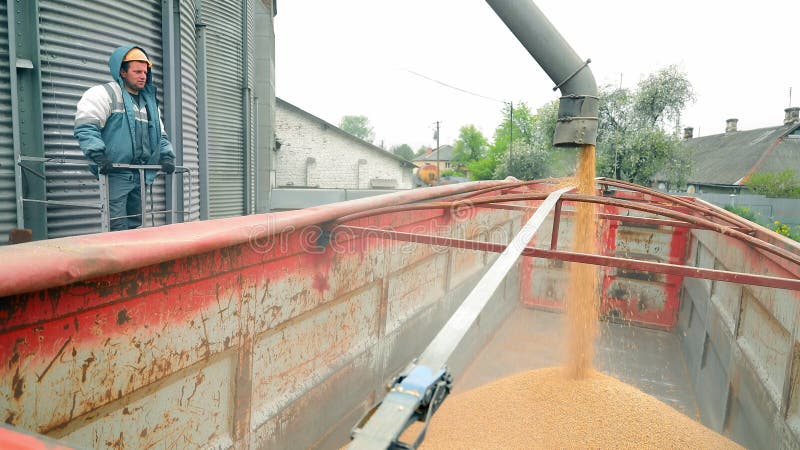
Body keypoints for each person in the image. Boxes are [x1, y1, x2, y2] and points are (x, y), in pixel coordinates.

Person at [74, 45, 176, 231]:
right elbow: (86, 126)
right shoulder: (104, 94)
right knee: (117, 224)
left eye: (145, 72)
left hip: (141, 174)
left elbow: (159, 134)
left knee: (135, 223)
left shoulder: (149, 103)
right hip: (116, 173)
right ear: (122, 71)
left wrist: (167, 155)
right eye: (137, 71)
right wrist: (97, 155)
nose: (143, 76)